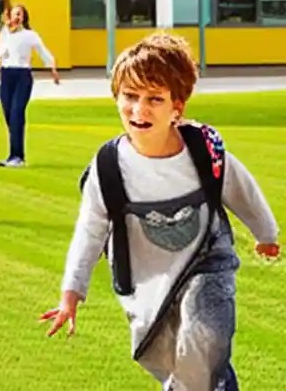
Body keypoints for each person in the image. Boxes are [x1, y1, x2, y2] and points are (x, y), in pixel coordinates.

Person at [42, 32, 279, 389]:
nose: (140, 110)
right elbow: (90, 231)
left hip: (206, 261)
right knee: (175, 360)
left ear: (177, 106)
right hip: (148, 280)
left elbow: (240, 188)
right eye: (130, 96)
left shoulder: (203, 151)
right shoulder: (108, 168)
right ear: (116, 97)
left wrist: (266, 235)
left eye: (155, 99)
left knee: (204, 332)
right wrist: (71, 293)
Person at [0, 3, 60, 168]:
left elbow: (43, 51)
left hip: (22, 76)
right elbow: (1, 52)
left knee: (17, 114)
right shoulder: (5, 34)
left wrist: (52, 68)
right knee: (9, 115)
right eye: (14, 14)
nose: (17, 17)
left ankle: (18, 156)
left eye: (20, 14)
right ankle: (13, 155)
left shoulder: (30, 35)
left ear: (23, 18)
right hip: (6, 74)